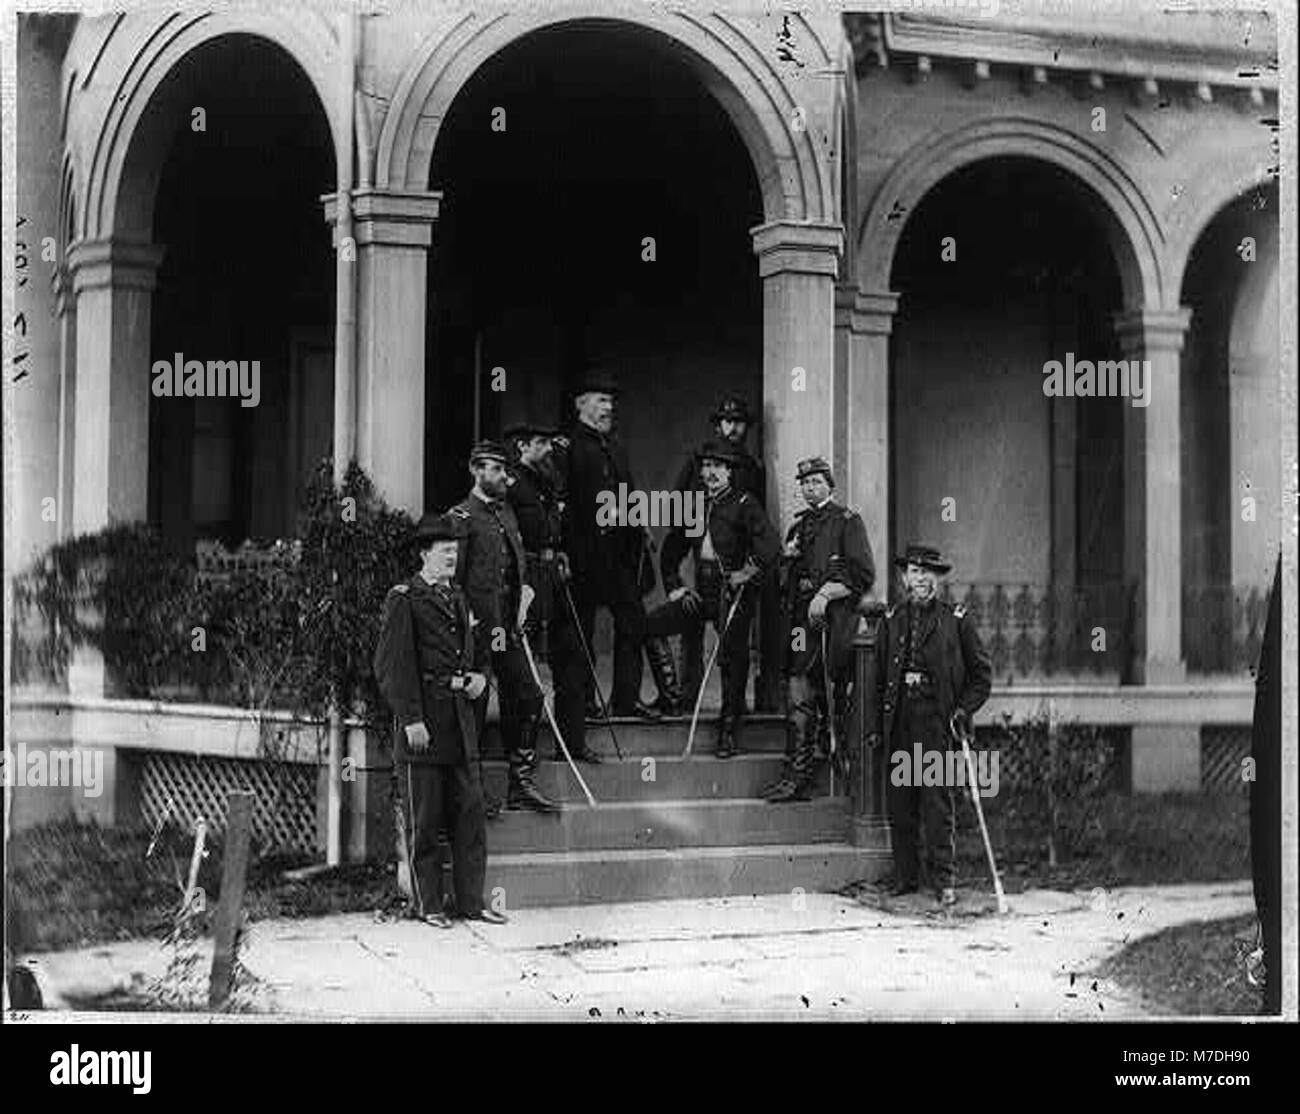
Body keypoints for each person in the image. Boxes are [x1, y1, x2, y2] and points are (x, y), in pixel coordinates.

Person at [372, 511, 508, 927]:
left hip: (460, 724)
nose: (452, 558)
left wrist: (480, 681)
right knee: (425, 819)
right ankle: (428, 904)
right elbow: (391, 666)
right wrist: (411, 718)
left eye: (455, 552)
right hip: (424, 727)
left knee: (470, 817)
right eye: (444, 552)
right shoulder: (405, 598)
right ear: (423, 554)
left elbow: (476, 651)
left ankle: (470, 902)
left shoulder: (459, 598)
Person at [551, 374, 669, 762]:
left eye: (611, 403)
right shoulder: (566, 449)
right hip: (583, 555)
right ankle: (584, 702)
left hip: (619, 555)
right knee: (580, 633)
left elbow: (629, 495)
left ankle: (625, 699)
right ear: (580, 405)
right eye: (601, 401)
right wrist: (560, 549)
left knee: (632, 624)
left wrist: (642, 527)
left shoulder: (615, 449)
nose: (608, 408)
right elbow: (560, 501)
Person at [869, 544, 992, 902]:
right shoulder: (891, 621)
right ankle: (906, 878)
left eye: (928, 573)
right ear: (904, 578)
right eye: (914, 572)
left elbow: (981, 677)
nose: (921, 579)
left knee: (937, 804)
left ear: (937, 579)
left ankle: (944, 881)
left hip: (937, 722)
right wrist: (878, 727)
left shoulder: (956, 620)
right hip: (900, 721)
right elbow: (878, 681)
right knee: (901, 804)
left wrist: (963, 710)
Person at [649, 440, 780, 756]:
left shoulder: (746, 504)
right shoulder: (695, 506)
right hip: (700, 592)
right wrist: (677, 586)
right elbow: (672, 550)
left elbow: (770, 546)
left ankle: (729, 728)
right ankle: (675, 698)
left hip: (732, 593)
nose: (710, 473)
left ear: (731, 472)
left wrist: (745, 573)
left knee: (733, 658)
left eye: (718, 467)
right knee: (649, 626)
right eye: (706, 466)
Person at [449, 441, 559, 813]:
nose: (503, 476)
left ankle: (520, 782)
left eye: (504, 469)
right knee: (474, 709)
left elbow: (518, 566)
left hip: (507, 628)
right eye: (494, 469)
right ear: (474, 470)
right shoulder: (461, 518)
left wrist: (525, 595)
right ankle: (469, 795)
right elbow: (452, 580)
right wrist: (464, 623)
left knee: (529, 694)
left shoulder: (507, 515)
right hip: (477, 630)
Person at [763, 456, 876, 802]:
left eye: (816, 481)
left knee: (831, 696)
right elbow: (783, 583)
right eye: (805, 482)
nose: (810, 487)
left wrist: (826, 593)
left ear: (830, 484)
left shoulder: (847, 522)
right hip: (800, 624)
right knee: (799, 691)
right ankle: (797, 775)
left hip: (833, 622)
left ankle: (836, 773)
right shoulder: (798, 528)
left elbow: (862, 575)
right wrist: (786, 558)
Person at [669, 396, 780, 713]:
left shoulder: (752, 467)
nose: (733, 428)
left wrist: (749, 566)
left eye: (739, 423)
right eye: (727, 422)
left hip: (735, 563)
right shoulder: (698, 460)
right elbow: (680, 502)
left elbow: (757, 515)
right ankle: (685, 695)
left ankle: (734, 706)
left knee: (733, 640)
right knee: (690, 629)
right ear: (718, 425)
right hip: (700, 547)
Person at [503, 422, 567, 660]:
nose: (548, 448)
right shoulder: (512, 482)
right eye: (541, 443)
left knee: (553, 637)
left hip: (549, 568)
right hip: (526, 568)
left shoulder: (547, 479)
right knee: (524, 635)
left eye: (549, 443)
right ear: (523, 446)